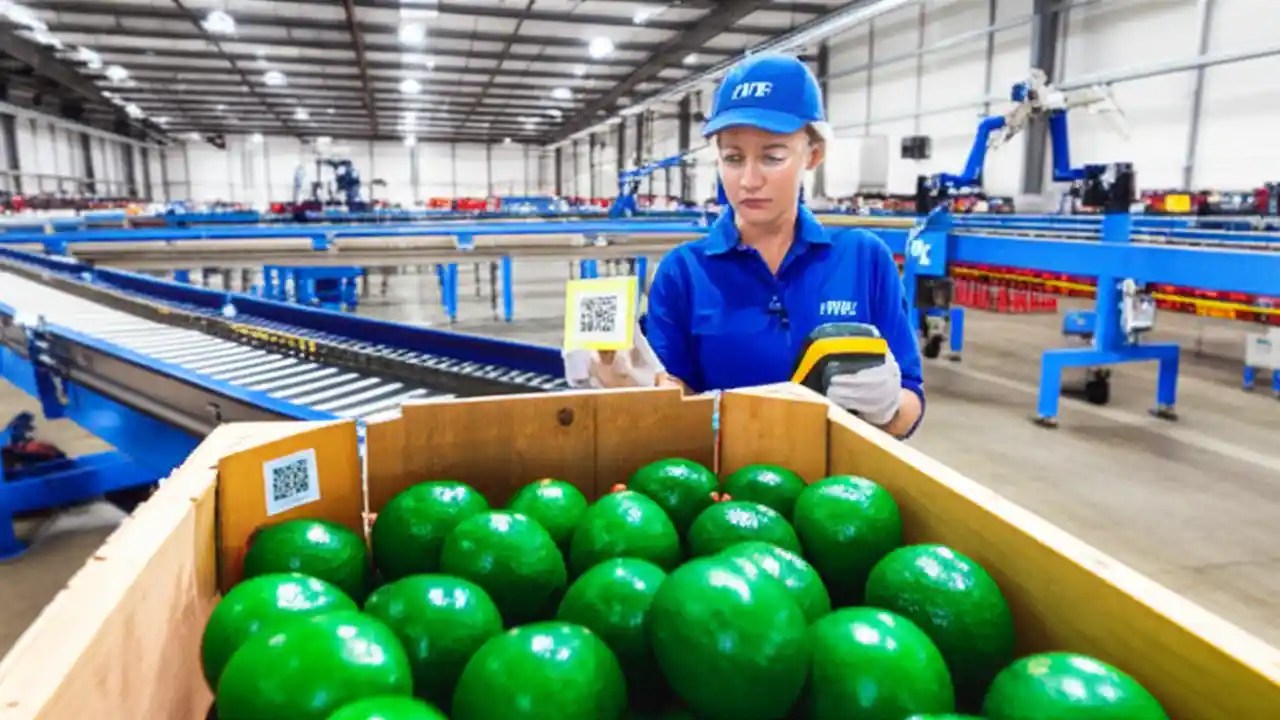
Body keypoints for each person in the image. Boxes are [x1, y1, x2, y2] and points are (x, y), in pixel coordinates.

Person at [567, 53, 925, 439]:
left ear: (813, 155)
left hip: (837, 492)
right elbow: (676, 403)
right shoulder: (684, 272)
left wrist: (886, 409)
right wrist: (631, 384)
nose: (749, 180)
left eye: (772, 157)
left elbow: (911, 401)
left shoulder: (862, 258)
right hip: (731, 490)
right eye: (733, 158)